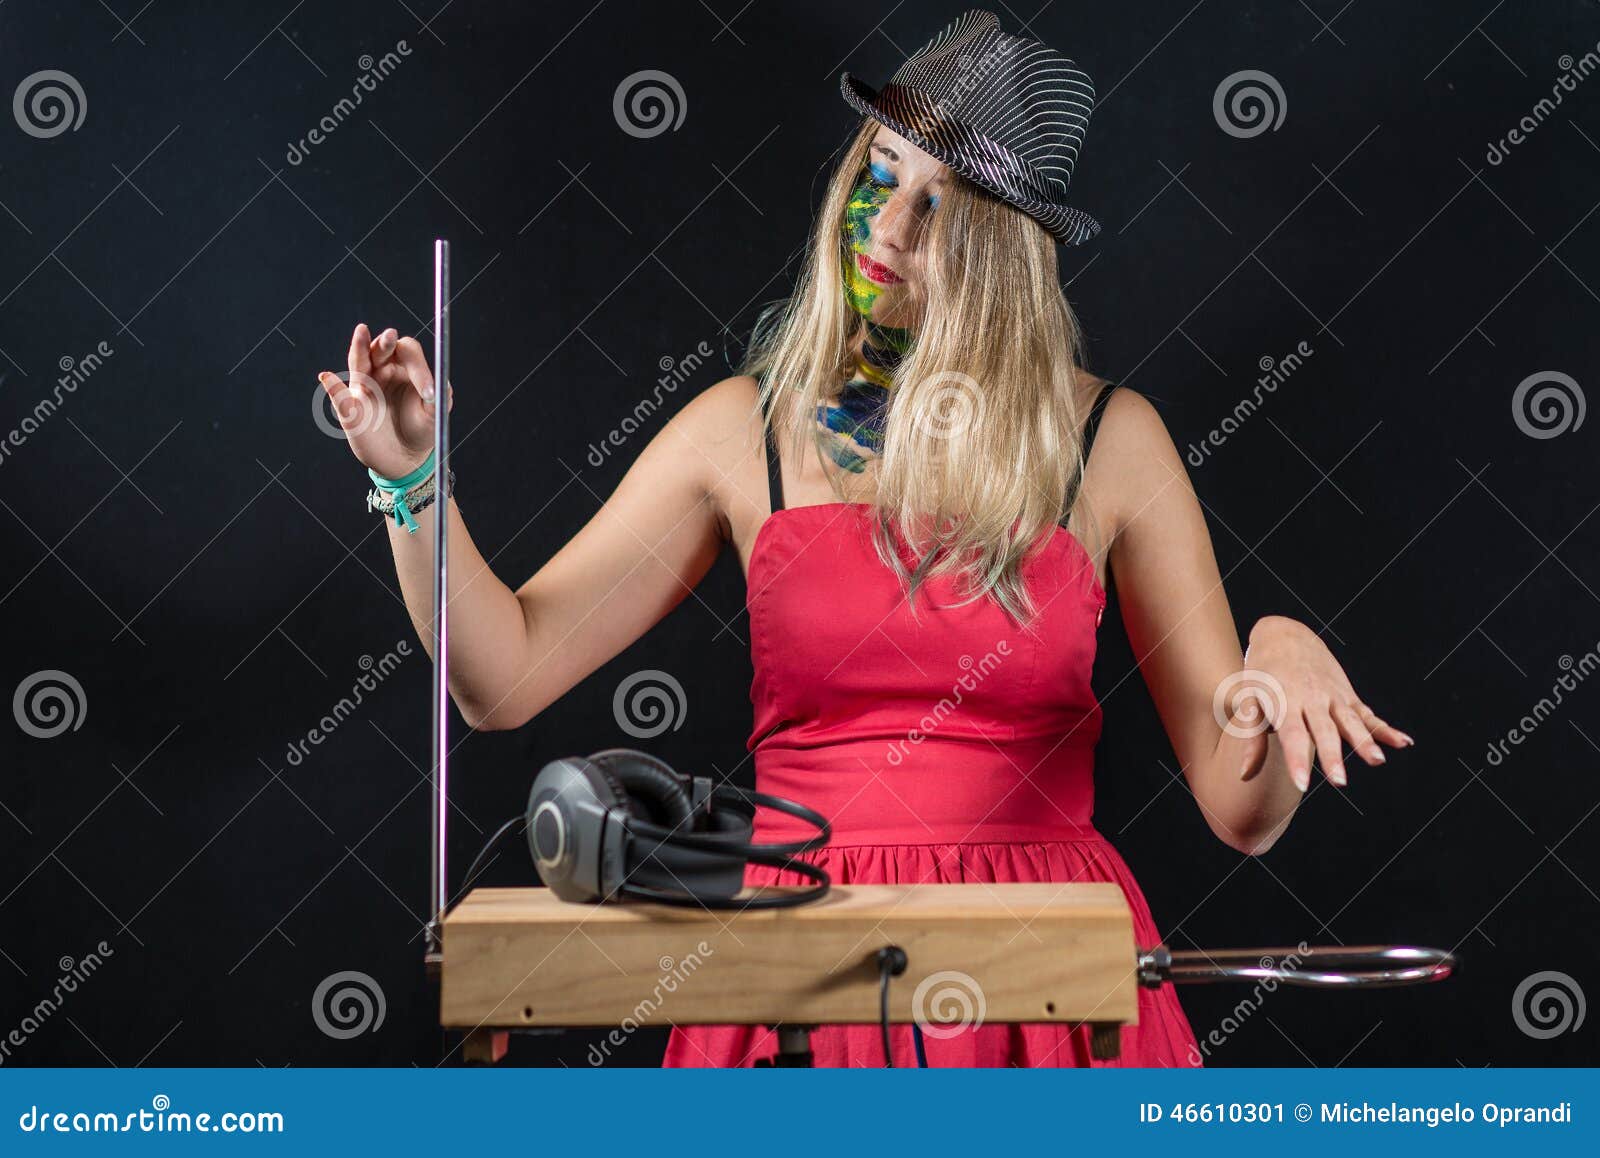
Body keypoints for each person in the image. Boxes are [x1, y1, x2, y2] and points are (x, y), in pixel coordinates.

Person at [316, 9, 1413, 1067]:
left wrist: (1277, 656)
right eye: (880, 178)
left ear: (1006, 254)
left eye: (940, 207)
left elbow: (1243, 812)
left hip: (1043, 985)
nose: (886, 229)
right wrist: (413, 478)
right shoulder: (741, 434)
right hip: (795, 971)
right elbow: (499, 679)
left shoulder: (1108, 443)